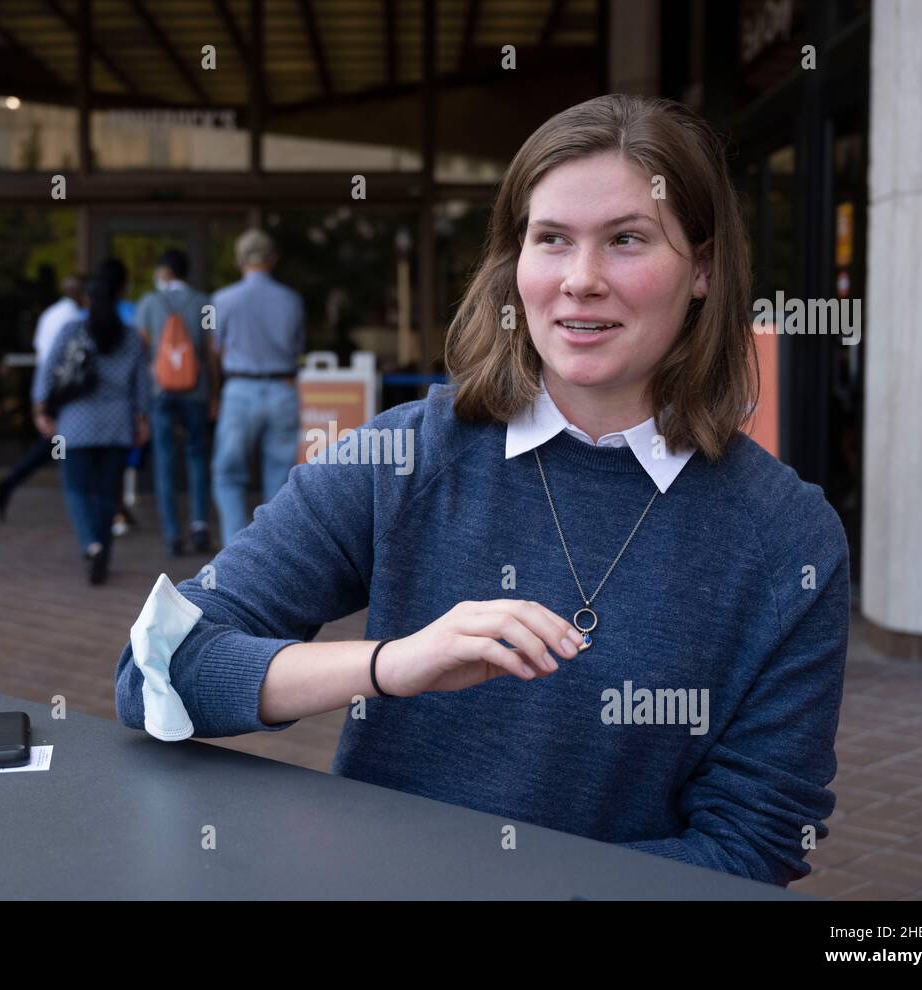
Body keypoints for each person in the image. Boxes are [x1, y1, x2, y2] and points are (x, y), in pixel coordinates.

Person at [117, 95, 852, 887]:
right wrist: (389, 664)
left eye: (627, 240)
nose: (581, 280)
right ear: (515, 262)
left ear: (703, 267)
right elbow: (158, 670)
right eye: (552, 240)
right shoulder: (410, 453)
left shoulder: (788, 537)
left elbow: (757, 843)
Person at [32, 259, 148, 585]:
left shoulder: (72, 331)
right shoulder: (131, 338)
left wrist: (42, 409)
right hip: (117, 425)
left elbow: (49, 370)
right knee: (107, 494)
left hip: (75, 424)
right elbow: (141, 384)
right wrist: (142, 419)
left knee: (76, 489)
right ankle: (103, 554)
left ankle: (91, 545)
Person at [209, 229, 305, 549]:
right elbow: (297, 348)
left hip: (239, 389)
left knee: (228, 474)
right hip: (282, 388)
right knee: (279, 482)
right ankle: (272, 554)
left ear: (239, 261)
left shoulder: (222, 300)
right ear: (272, 259)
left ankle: (235, 554)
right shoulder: (292, 300)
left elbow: (215, 348)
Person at [132, 249, 217, 558]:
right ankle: (199, 526)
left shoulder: (149, 303)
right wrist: (215, 394)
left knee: (165, 459)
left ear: (163, 272)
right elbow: (210, 353)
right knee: (197, 456)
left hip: (160, 392)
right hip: (196, 390)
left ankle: (171, 533)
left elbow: (140, 351)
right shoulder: (205, 301)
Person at [0, 273, 86, 520]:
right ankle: (79, 502)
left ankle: (10, 483)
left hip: (51, 391)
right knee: (61, 447)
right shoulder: (74, 319)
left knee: (54, 447)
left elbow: (41, 351)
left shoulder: (50, 314)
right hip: (64, 392)